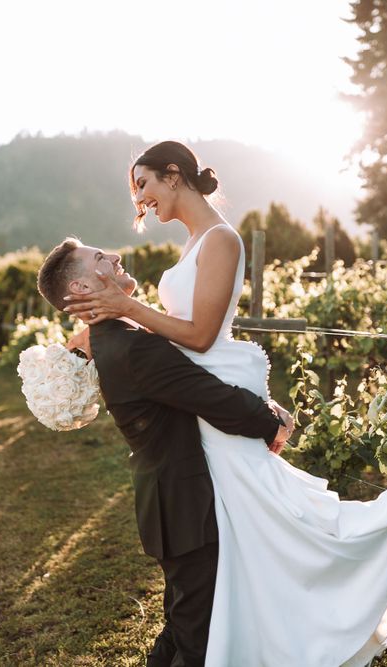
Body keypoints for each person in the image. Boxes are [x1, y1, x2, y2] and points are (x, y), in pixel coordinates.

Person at [58, 141, 387, 666]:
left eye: (144, 184)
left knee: (283, 519)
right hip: (201, 412)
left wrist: (126, 309)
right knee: (264, 530)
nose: (141, 199)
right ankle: (247, 639)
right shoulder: (194, 243)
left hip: (213, 407)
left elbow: (200, 336)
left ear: (173, 175)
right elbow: (170, 344)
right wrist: (109, 327)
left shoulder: (220, 239)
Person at [38, 239, 293, 666]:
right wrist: (272, 419)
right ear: (81, 287)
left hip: (168, 497)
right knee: (199, 639)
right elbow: (214, 399)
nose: (115, 256)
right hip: (185, 503)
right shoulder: (132, 346)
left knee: (183, 626)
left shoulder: (113, 338)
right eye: (101, 258)